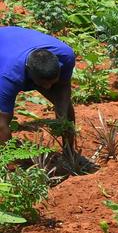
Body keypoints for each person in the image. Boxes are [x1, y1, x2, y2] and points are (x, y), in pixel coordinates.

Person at [0, 26, 88, 170]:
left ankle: (69, 152)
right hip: (6, 50)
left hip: (16, 42)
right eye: (43, 83)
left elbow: (63, 90)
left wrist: (62, 116)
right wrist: (12, 165)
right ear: (30, 75)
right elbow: (1, 123)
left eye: (52, 82)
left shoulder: (65, 56)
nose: (48, 88)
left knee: (64, 107)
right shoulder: (9, 77)